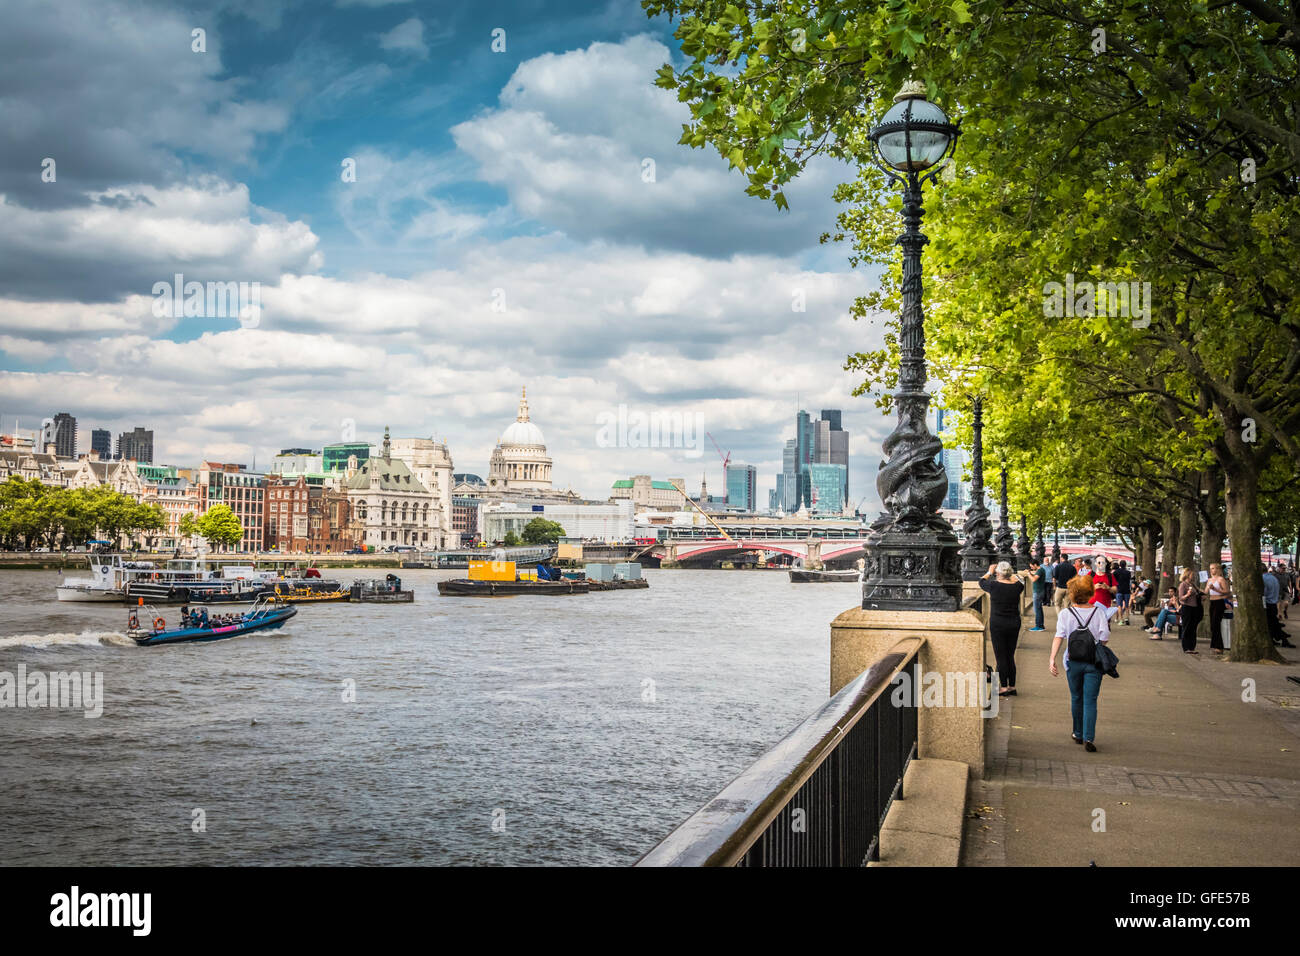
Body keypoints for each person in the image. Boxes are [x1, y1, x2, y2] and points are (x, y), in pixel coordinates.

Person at [1049, 574, 1111, 752]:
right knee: (1091, 700)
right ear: (1090, 592)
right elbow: (1105, 637)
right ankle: (1089, 737)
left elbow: (1059, 637)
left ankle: (1077, 732)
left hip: (1072, 661)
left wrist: (1052, 658)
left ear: (1072, 594)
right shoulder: (1098, 612)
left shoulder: (1065, 614)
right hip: (1094, 662)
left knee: (1076, 697)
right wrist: (1096, 646)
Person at [980, 561, 1026, 697]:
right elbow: (1020, 579)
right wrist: (1008, 574)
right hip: (1014, 623)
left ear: (998, 573)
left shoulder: (993, 585)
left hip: (998, 624)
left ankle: (1004, 687)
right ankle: (1012, 686)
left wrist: (989, 571)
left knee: (1001, 657)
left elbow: (981, 582)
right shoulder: (1017, 587)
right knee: (1010, 655)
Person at [1205, 563, 1232, 656]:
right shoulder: (1209, 580)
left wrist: (1216, 589)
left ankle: (1219, 646)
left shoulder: (1221, 579)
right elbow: (1205, 591)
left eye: (1213, 568)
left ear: (1217, 569)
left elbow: (1227, 591)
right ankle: (1214, 644)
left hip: (1219, 602)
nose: (1211, 570)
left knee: (1216, 623)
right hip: (1212, 602)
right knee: (1212, 624)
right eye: (1210, 569)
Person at [1176, 568, 1203, 654]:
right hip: (1187, 607)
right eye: (1192, 574)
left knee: (1193, 627)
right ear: (1187, 575)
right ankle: (1186, 647)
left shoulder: (1193, 585)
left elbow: (1200, 592)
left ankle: (1192, 647)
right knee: (1186, 627)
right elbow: (1180, 598)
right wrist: (1187, 595)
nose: (1193, 576)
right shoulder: (1183, 585)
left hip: (1194, 608)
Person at [1028, 558, 1047, 631]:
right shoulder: (1041, 570)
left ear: (1035, 564)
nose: (1031, 568)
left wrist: (1029, 574)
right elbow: (1036, 576)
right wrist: (1031, 573)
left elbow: (1033, 579)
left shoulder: (1040, 570)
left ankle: (1038, 626)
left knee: (1037, 610)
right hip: (1040, 591)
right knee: (1039, 609)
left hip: (1038, 592)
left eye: (1032, 566)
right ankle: (1041, 625)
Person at [1113, 559, 1133, 625]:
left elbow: (1114, 580)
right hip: (1127, 590)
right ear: (1125, 565)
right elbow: (1129, 580)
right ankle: (1127, 619)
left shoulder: (1116, 572)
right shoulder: (1128, 572)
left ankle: (1121, 620)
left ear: (1119, 565)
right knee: (1127, 605)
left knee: (1119, 605)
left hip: (1119, 590)